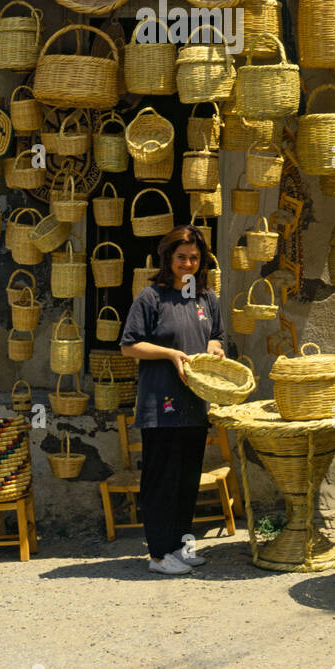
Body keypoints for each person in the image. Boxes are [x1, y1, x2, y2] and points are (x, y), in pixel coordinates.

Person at [119, 225, 225, 575]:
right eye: (182, 257)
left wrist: (215, 347)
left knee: (186, 479)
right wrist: (169, 353)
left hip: (195, 402)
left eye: (194, 258)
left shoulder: (206, 298)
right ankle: (159, 555)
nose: (188, 264)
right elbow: (129, 344)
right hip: (160, 405)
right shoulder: (151, 298)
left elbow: (218, 337)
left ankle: (181, 547)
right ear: (168, 258)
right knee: (161, 480)